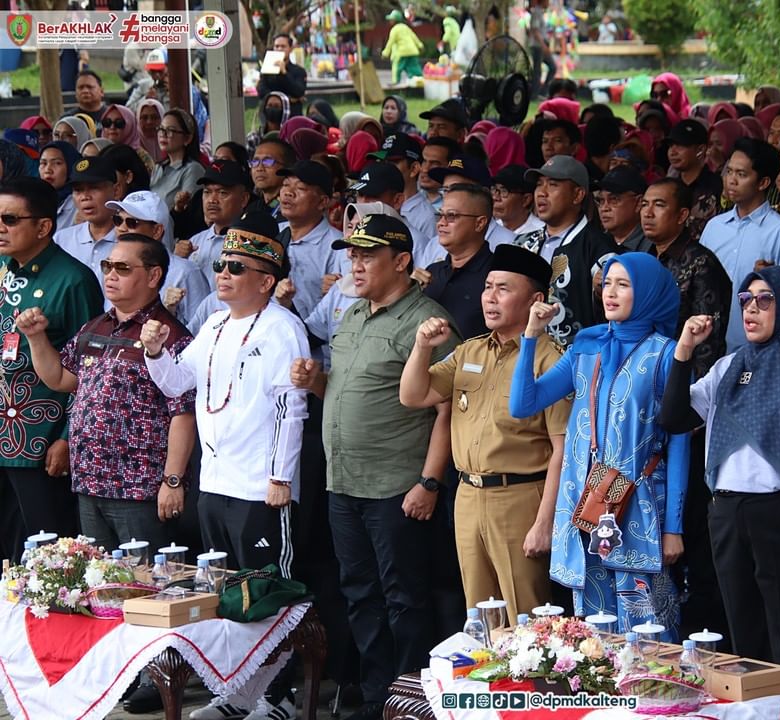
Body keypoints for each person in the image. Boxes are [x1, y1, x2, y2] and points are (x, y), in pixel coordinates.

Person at [290, 213, 459, 720]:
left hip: (397, 484)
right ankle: (375, 694)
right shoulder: (352, 315)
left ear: (402, 261)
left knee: (404, 598)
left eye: (368, 255)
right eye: (353, 255)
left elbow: (448, 410)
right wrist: (315, 383)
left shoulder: (428, 322)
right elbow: (347, 392)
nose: (356, 265)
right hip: (344, 481)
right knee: (360, 594)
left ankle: (409, 701)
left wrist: (429, 481)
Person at [142, 210, 309, 720]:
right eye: (221, 265)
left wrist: (280, 476)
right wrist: (155, 353)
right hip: (215, 482)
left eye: (236, 267)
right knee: (226, 593)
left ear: (266, 280)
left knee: (268, 593)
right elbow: (178, 383)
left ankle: (279, 696)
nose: (223, 274)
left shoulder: (283, 328)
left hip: (260, 485)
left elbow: (292, 408)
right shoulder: (213, 323)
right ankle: (237, 691)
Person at [661, 265, 780, 701]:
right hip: (728, 511)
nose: (752, 309)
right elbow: (674, 418)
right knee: (744, 633)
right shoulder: (729, 365)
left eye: (765, 300)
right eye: (746, 300)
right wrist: (684, 350)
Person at [509, 253, 690, 639]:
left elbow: (679, 442)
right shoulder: (585, 347)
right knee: (595, 633)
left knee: (649, 631)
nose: (610, 292)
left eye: (623, 285)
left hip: (640, 504)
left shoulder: (665, 353)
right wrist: (531, 336)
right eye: (607, 283)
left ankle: (653, 682)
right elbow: (523, 404)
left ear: (648, 292)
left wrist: (674, 527)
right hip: (586, 503)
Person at [400, 245, 567, 619]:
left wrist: (545, 523)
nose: (490, 297)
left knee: (525, 616)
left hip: (520, 498)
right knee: (479, 615)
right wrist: (421, 347)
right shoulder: (470, 351)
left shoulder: (551, 359)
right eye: (488, 286)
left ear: (535, 301)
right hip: (468, 495)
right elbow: (413, 396)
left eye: (503, 289)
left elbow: (563, 449)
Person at [16, 232, 194, 550]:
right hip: (89, 483)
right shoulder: (95, 327)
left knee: (144, 576)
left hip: (139, 488)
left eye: (122, 268)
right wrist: (36, 338)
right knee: (102, 577)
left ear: (154, 275)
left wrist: (173, 480)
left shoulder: (170, 335)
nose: (110, 275)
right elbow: (60, 378)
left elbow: (183, 413)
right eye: (107, 266)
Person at [0, 178, 103, 560]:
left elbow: (90, 368)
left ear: (43, 226)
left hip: (41, 436)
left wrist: (66, 437)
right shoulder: (3, 268)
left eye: (10, 219)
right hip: (2, 425)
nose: (0, 228)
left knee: (46, 547)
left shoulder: (74, 280)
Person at [701, 137, 780, 353]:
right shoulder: (714, 227)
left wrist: (772, 279)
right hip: (708, 343)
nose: (731, 180)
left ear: (763, 183)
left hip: (755, 347)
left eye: (741, 174)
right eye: (729, 171)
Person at [514, 156, 622, 345]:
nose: (541, 193)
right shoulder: (522, 243)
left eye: (553, 185)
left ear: (577, 195)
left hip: (575, 356)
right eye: (539, 185)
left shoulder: (599, 247)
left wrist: (601, 290)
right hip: (521, 351)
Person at [643, 178, 731, 378]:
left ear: (682, 215)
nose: (648, 213)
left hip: (680, 376)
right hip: (642, 372)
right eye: (645, 204)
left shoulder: (701, 263)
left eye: (659, 205)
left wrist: (689, 388)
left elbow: (709, 341)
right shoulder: (645, 260)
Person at [104, 191, 211, 330]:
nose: (121, 228)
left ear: (157, 231)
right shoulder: (110, 265)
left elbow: (202, 330)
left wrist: (168, 313)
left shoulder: (186, 272)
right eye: (118, 220)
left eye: (132, 223)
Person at [277, 160, 348, 321]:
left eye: (301, 188)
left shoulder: (338, 246)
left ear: (322, 202)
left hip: (311, 334)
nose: (288, 192)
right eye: (285, 185)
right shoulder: (272, 234)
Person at [423, 183, 493, 339]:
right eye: (440, 215)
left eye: (451, 216)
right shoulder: (432, 272)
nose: (441, 223)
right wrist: (410, 291)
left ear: (479, 223)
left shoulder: (496, 275)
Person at [181, 160, 253, 286]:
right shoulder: (194, 242)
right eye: (207, 192)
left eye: (222, 193)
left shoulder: (252, 244)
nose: (212, 200)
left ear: (243, 199)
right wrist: (178, 260)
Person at [54, 156, 121, 276]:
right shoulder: (61, 240)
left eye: (94, 188)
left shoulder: (130, 241)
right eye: (78, 190)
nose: (85, 197)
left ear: (116, 191)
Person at [369, 133, 436, 249]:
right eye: (382, 162)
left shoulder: (427, 217)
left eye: (393, 163)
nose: (384, 169)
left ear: (414, 169)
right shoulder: (373, 203)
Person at [667, 120, 724, 244]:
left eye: (681, 145)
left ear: (701, 150)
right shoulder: (668, 187)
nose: (673, 152)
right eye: (670, 145)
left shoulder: (717, 186)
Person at [150, 109, 205, 214]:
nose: (163, 134)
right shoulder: (158, 168)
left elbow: (188, 211)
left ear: (187, 138)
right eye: (161, 129)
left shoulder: (193, 169)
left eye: (170, 130)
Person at [596, 166, 649, 253]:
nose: (604, 208)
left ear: (639, 203)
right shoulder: (595, 244)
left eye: (614, 199)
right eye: (601, 201)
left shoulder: (653, 247)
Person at [38, 141, 80, 232]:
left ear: (71, 166)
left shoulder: (79, 204)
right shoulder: (32, 200)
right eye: (43, 163)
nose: (48, 170)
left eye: (57, 163)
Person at [257, 33, 308, 108]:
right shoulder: (267, 69)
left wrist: (284, 73)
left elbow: (299, 92)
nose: (279, 49)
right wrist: (286, 99)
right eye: (277, 46)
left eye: (283, 46)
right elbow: (261, 91)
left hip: (291, 111)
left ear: (290, 49)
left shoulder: (299, 71)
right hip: (271, 111)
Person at [249, 138, 295, 219]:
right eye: (255, 162)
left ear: (287, 167)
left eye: (268, 162)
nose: (259, 168)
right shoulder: (252, 209)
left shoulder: (294, 208)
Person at [492, 165, 543, 237]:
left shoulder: (541, 233)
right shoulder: (490, 229)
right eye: (494, 189)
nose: (495, 197)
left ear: (526, 199)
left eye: (504, 191)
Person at [383, 10, 426, 86]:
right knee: (414, 67)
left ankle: (395, 82)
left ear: (395, 20)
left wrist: (385, 53)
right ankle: (419, 81)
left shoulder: (394, 30)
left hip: (402, 52)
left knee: (397, 67)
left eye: (391, 19)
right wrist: (420, 45)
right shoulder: (406, 27)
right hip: (412, 51)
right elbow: (414, 37)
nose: (390, 21)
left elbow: (390, 42)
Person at [418, 136, 459, 213]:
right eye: (424, 161)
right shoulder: (408, 195)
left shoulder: (457, 206)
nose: (425, 169)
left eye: (435, 163)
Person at [246, 92, 291, 157]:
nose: (272, 109)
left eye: (276, 106)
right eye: (269, 105)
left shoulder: (290, 138)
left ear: (284, 110)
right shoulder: (253, 138)